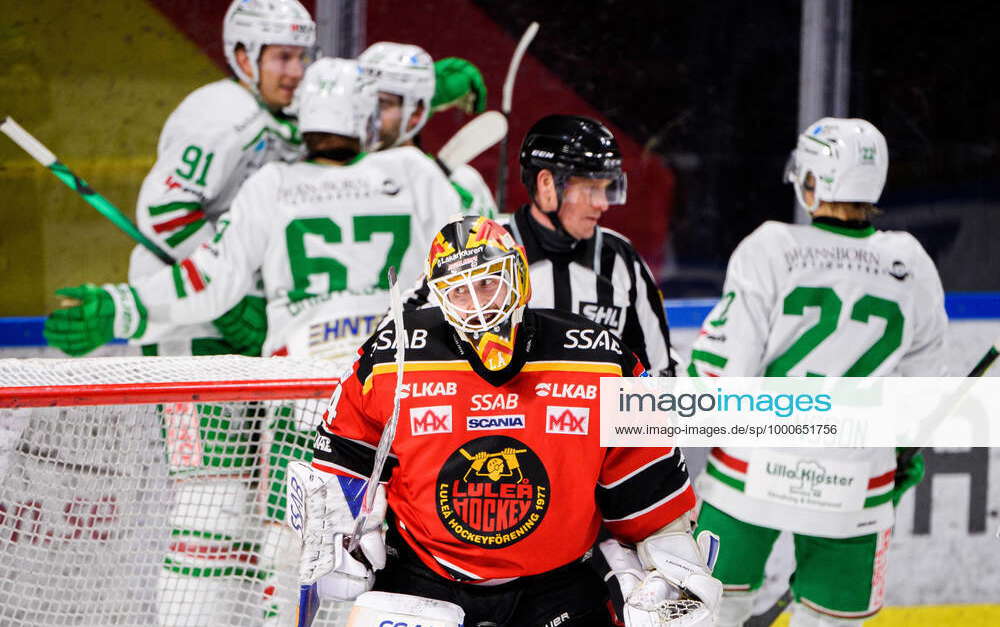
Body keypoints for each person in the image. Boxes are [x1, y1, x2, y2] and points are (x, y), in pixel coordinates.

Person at [44, 57, 463, 625]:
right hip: (398, 390)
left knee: (291, 550)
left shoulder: (273, 183)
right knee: (414, 544)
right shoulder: (415, 171)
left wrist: (126, 304)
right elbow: (465, 267)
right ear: (363, 115)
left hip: (304, 397)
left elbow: (208, 284)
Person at [290, 215, 722, 626]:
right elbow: (346, 454)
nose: (478, 307)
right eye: (460, 292)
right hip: (425, 581)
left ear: (518, 278)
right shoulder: (393, 356)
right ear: (440, 297)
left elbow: (645, 477)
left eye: (487, 284)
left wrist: (670, 561)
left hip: (560, 587)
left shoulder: (598, 357)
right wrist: (343, 531)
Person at [688, 117, 947, 626]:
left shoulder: (771, 247)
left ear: (813, 180)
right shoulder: (909, 261)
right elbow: (925, 385)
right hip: (856, 486)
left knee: (706, 611)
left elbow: (725, 371)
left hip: (749, 476)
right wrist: (901, 452)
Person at [407, 115, 677, 376]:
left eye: (608, 189)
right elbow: (397, 339)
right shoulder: (479, 250)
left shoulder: (620, 259)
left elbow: (659, 371)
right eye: (591, 189)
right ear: (547, 184)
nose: (602, 204)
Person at [128, 0, 316, 358]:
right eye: (282, 57)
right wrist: (230, 288)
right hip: (186, 311)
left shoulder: (284, 114)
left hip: (246, 303)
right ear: (244, 58)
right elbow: (166, 211)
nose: (296, 71)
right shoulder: (221, 115)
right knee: (206, 415)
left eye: (302, 57)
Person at [359, 41, 497, 219]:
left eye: (382, 103)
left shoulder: (463, 184)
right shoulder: (333, 177)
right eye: (360, 99)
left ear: (416, 112)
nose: (367, 113)